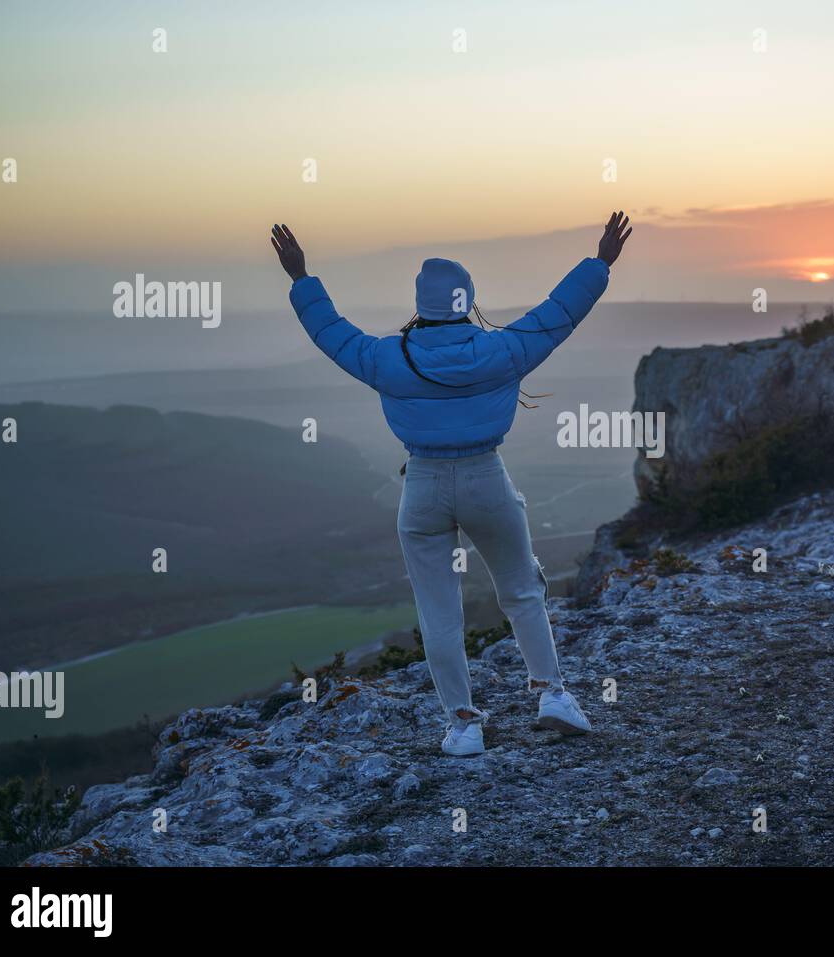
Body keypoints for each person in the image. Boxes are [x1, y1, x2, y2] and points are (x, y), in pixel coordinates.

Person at [270, 213, 633, 756]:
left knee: (438, 610)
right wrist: (600, 263)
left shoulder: (385, 359)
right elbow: (560, 313)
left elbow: (331, 332)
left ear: (423, 304)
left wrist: (302, 280)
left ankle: (463, 727)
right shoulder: (504, 349)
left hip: (421, 486)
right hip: (487, 477)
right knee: (522, 590)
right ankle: (552, 695)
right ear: (466, 300)